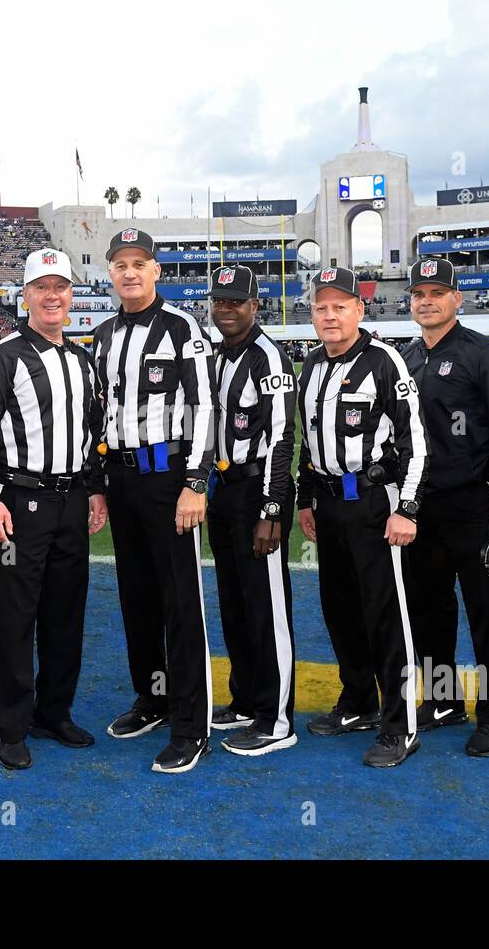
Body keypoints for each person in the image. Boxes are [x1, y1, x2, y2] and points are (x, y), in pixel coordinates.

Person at [0, 248, 108, 770]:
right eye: (42, 287)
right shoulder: (5, 355)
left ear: (73, 295)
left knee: (66, 613)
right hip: (21, 501)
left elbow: (94, 433)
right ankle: (13, 723)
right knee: (17, 615)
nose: (53, 296)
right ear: (25, 296)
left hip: (71, 499)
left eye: (61, 287)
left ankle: (55, 712)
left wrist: (95, 488)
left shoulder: (82, 359)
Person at [90, 227, 217, 774]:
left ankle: (192, 725)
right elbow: (97, 415)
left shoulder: (182, 328)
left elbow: (205, 407)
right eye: (120, 264)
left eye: (140, 263)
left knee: (179, 603)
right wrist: (97, 482)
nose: (130, 272)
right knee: (136, 596)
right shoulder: (102, 336)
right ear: (111, 273)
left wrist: (196, 482)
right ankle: (153, 698)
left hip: (169, 480)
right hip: (121, 478)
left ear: (156, 270)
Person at [296, 266, 428, 768]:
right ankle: (357, 702)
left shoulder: (385, 361)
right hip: (329, 505)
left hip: (376, 503)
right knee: (341, 609)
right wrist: (307, 499)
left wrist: (407, 508)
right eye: (321, 307)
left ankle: (401, 726)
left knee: (386, 616)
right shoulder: (311, 365)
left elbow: (416, 443)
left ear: (360, 309)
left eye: (340, 306)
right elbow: (308, 443)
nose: (330, 315)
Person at [399, 257, 489, 757]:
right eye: (418, 293)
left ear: (458, 298)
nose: (426, 301)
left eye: (437, 292)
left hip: (476, 501)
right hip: (422, 504)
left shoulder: (484, 354)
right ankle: (442, 698)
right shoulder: (408, 357)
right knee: (428, 606)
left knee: (485, 608)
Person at [204, 265, 298, 756]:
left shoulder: (269, 356)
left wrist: (273, 508)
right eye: (220, 300)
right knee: (236, 604)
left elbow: (283, 438)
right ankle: (245, 700)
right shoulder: (216, 356)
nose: (227, 308)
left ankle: (276, 717)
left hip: (256, 490)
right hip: (223, 491)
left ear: (254, 305)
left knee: (267, 608)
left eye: (236, 301)